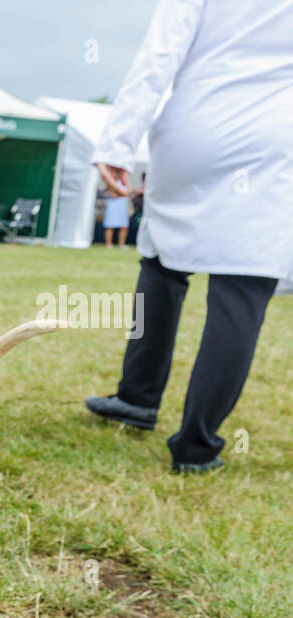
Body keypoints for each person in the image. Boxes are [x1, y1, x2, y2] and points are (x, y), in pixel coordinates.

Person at [85, 0, 293, 474]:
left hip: (196, 126)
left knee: (160, 265)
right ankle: (196, 446)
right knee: (242, 290)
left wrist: (118, 139)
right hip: (276, 135)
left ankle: (137, 397)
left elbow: (160, 52)